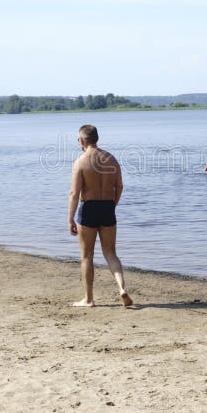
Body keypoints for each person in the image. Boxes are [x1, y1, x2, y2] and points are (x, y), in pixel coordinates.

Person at [67, 124, 132, 307]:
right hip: (107, 208)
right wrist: (112, 205)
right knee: (111, 254)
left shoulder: (80, 161)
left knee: (87, 256)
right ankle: (121, 288)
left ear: (81, 140)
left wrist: (70, 218)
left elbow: (74, 193)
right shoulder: (111, 159)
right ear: (97, 139)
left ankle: (88, 299)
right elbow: (119, 187)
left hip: (88, 208)